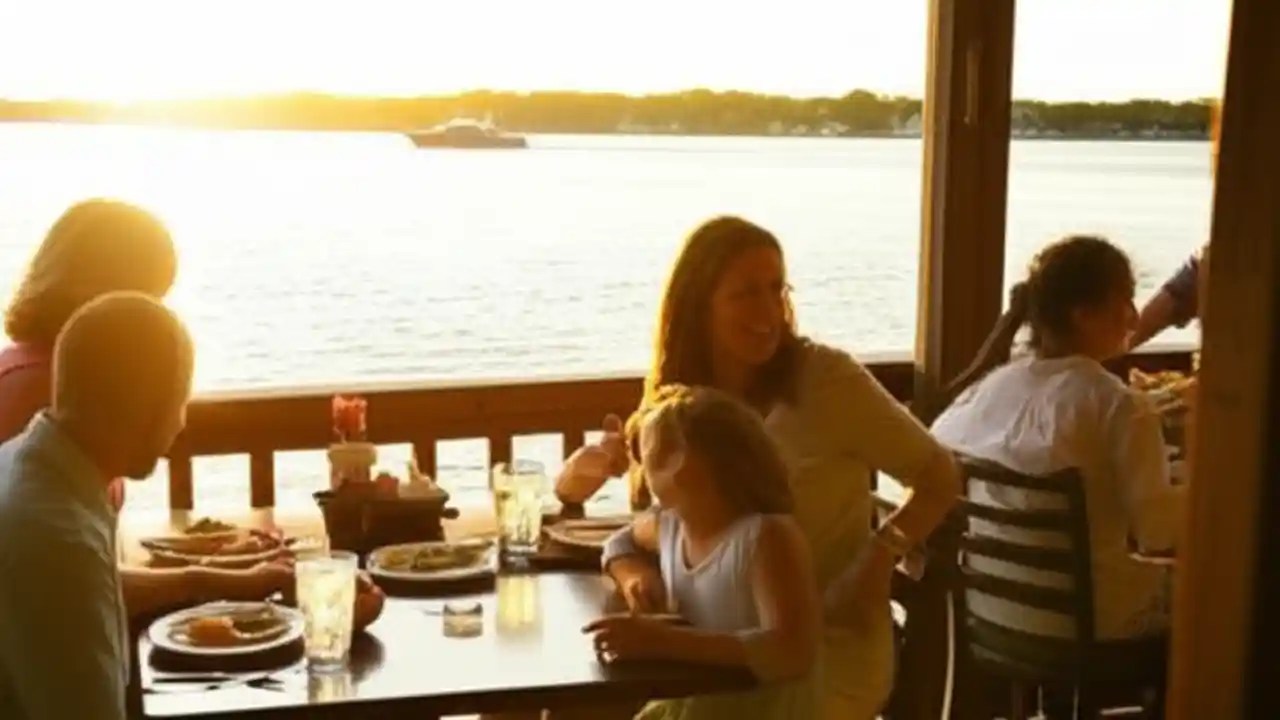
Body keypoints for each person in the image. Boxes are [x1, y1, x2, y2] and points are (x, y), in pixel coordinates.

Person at [558, 216, 962, 719]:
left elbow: (940, 476)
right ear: (697, 305)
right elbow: (646, 529)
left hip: (817, 655)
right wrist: (634, 573)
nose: (768, 312)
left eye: (776, 290)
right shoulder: (683, 403)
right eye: (745, 294)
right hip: (704, 646)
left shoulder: (826, 380)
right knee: (562, 704)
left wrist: (882, 557)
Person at [0, 293, 286, 720]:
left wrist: (210, 578)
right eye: (178, 401)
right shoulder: (59, 543)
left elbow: (93, 590)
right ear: (148, 407)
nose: (181, 422)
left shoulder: (30, 466)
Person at [932, 235, 1185, 641]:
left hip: (996, 612)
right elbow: (1157, 531)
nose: (1136, 318)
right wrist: (1210, 491)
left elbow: (935, 451)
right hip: (1090, 617)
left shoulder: (992, 389)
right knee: (1226, 592)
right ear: (1084, 313)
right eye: (1125, 301)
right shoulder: (1117, 404)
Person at [584, 384, 820, 719]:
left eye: (649, 456)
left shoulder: (765, 537)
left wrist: (663, 641)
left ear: (681, 465)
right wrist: (634, 574)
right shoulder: (670, 525)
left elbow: (792, 651)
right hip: (693, 704)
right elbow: (619, 543)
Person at [0, 199, 178, 511]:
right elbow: (48, 547)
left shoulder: (21, 368)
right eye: (148, 298)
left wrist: (200, 564)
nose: (152, 318)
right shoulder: (48, 390)